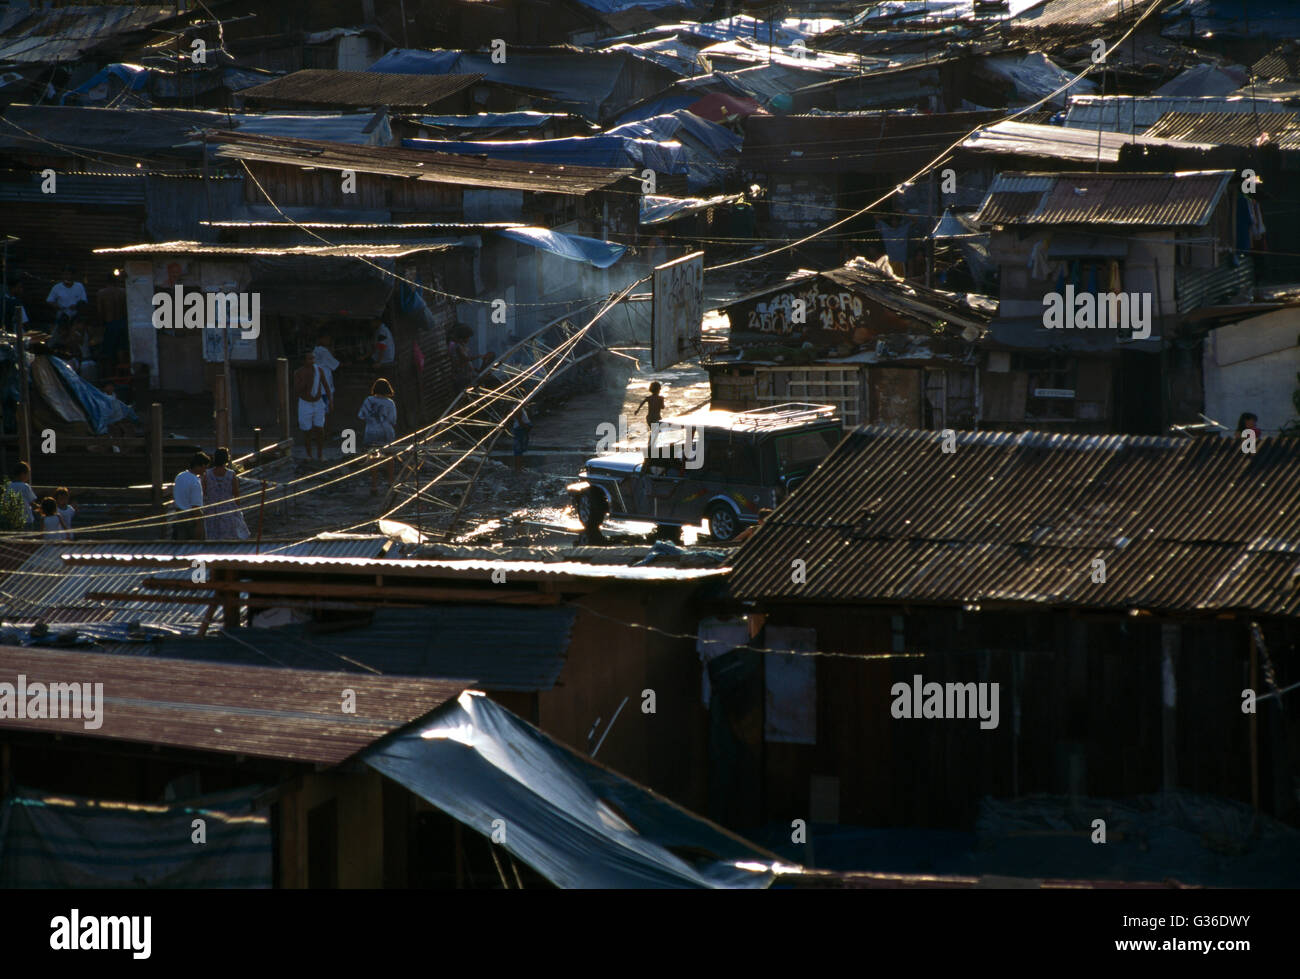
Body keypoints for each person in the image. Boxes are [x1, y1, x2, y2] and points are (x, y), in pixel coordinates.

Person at [358, 378, 397, 495]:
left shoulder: (368, 400)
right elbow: (393, 420)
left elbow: (361, 415)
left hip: (371, 432)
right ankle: (391, 482)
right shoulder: (390, 403)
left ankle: (374, 486)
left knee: (373, 458)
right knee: (389, 457)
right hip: (386, 433)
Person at [202, 446, 249, 540]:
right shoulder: (231, 474)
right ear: (226, 459)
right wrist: (238, 510)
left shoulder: (207, 474)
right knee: (230, 538)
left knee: (212, 538)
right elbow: (236, 494)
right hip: (228, 509)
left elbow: (203, 492)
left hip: (211, 509)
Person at [293, 350, 332, 463]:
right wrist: (306, 381)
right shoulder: (299, 372)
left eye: (313, 359)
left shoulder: (318, 370)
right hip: (305, 404)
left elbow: (326, 385)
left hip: (318, 402)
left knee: (320, 429)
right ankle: (309, 454)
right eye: (309, 359)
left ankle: (320, 454)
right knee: (307, 430)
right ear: (304, 361)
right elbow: (297, 390)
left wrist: (330, 401)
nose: (312, 361)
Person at [172, 451, 209, 541]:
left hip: (178, 516)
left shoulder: (179, 476)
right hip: (191, 519)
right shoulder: (195, 481)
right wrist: (199, 525)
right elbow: (195, 506)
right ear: (199, 465)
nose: (205, 471)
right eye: (205, 467)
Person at [97, 270, 129, 368]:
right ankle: (121, 369)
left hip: (109, 323)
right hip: (122, 322)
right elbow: (126, 309)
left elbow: (100, 311)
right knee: (121, 348)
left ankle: (111, 370)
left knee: (109, 350)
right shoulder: (123, 292)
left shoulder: (101, 293)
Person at [447, 323, 493, 391]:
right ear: (462, 337)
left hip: (466, 374)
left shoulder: (459, 345)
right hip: (462, 376)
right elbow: (464, 359)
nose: (468, 339)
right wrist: (479, 356)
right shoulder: (457, 346)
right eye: (467, 337)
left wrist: (474, 369)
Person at [635, 380, 666, 453]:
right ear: (659, 389)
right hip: (657, 418)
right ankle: (652, 446)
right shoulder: (660, 398)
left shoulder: (648, 398)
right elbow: (662, 407)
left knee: (653, 431)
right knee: (657, 432)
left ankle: (650, 445)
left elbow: (641, 404)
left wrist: (637, 410)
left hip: (649, 418)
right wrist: (662, 401)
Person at [11, 461, 37, 527]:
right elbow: (32, 502)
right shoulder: (25, 486)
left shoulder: (9, 486)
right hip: (27, 519)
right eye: (27, 474)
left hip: (13, 520)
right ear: (23, 474)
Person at [510, 405, 533, 474]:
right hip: (520, 429)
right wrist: (526, 427)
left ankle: (519, 467)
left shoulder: (519, 408)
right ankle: (518, 468)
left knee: (519, 450)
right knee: (518, 450)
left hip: (519, 429)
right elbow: (520, 421)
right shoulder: (518, 408)